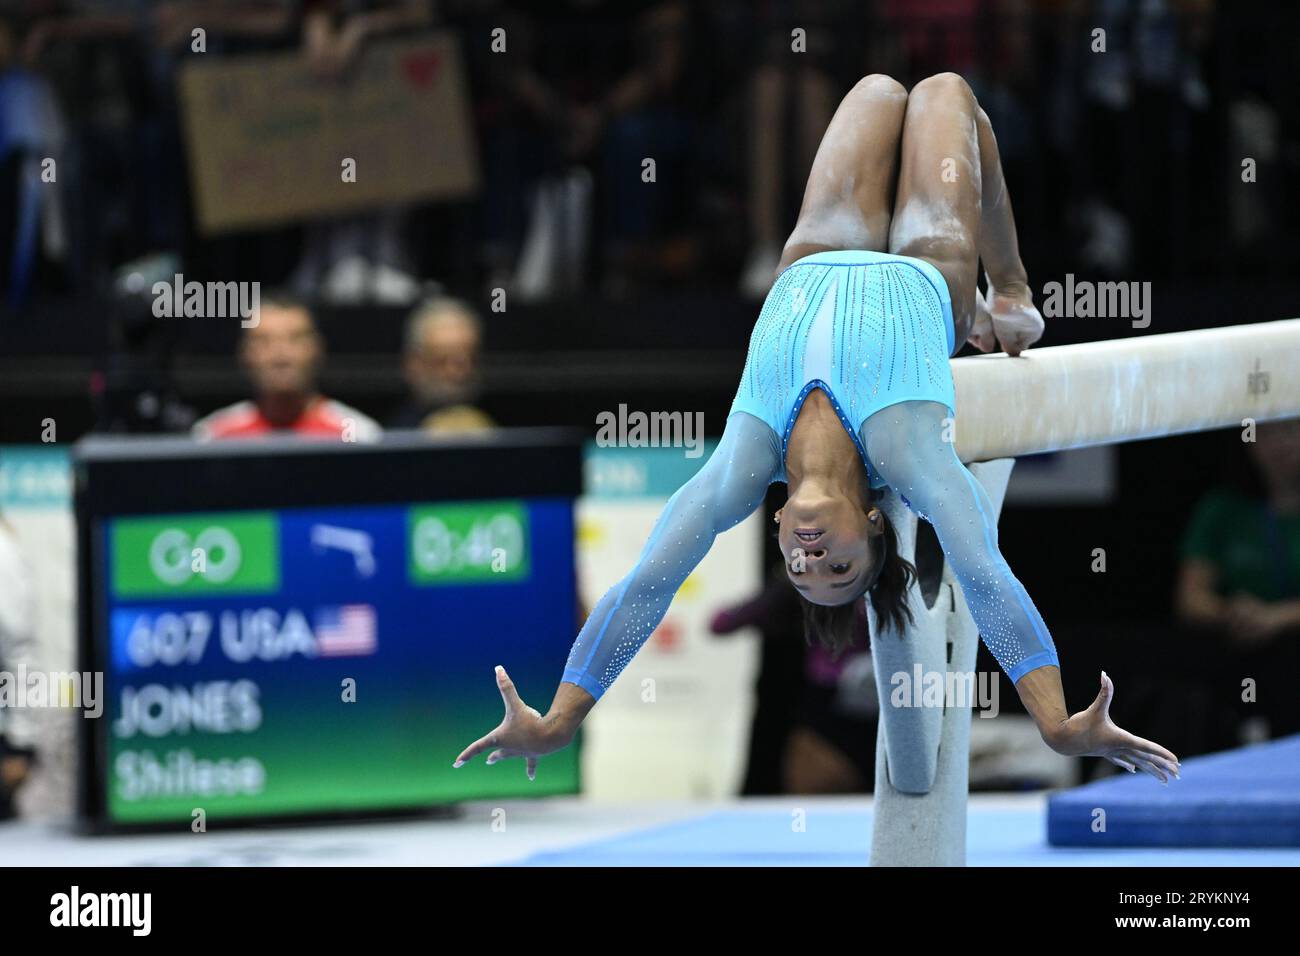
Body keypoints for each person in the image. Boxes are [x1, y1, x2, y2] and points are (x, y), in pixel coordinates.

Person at [455, 73, 1180, 785]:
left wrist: (562, 718)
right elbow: (987, 577)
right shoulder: (909, 453)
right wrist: (1053, 719)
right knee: (944, 94)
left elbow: (646, 586)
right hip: (932, 270)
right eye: (841, 568)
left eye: (804, 573)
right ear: (872, 522)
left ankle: (996, 228)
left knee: (874, 89)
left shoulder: (743, 463)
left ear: (776, 536)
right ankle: (1013, 287)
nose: (811, 562)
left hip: (815, 253)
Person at [1175, 418, 1300, 738]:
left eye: (1292, 429)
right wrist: (1233, 612)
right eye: (1268, 432)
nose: (1281, 444)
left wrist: (1280, 617)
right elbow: (1191, 600)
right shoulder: (1222, 509)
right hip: (1239, 643)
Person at [192, 293, 380, 441]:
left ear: (317, 349)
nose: (280, 356)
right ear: (244, 353)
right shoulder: (213, 437)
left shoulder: (358, 436)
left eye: (295, 339)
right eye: (264, 342)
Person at [389, 296, 495, 431]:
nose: (457, 373)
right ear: (414, 364)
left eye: (468, 359)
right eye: (442, 360)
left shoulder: (506, 428)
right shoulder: (391, 437)